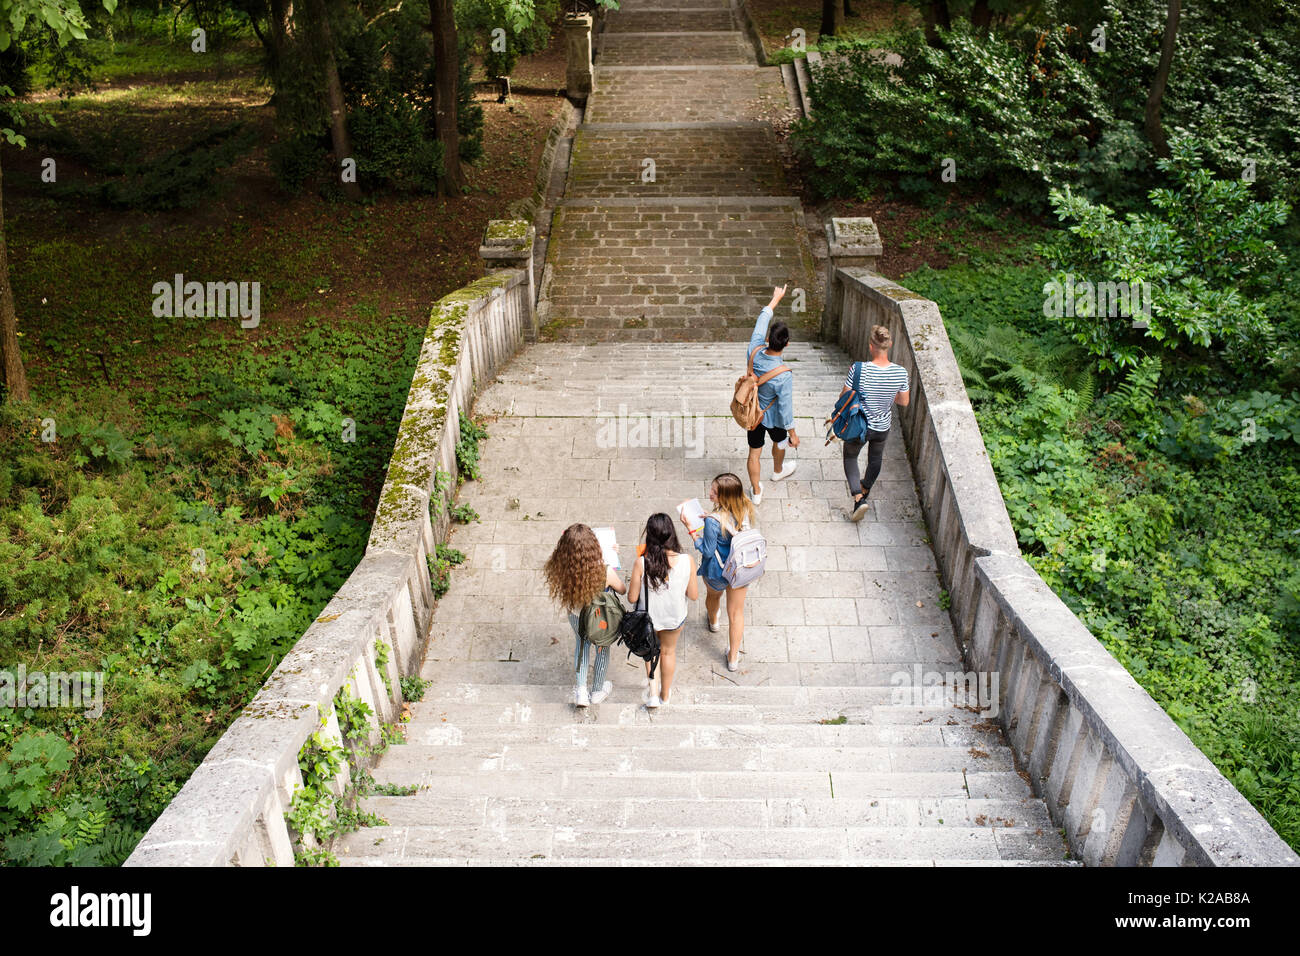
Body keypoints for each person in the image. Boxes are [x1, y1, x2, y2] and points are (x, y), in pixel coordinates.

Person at [543, 523, 627, 707]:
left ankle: (581, 692)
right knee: (602, 649)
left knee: (581, 646)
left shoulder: (562, 567)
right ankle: (597, 691)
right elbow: (622, 590)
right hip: (600, 618)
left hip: (576, 615)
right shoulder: (605, 571)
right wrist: (612, 558)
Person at [683, 473, 756, 672]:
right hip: (740, 570)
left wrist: (692, 531)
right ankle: (733, 658)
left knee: (713, 596)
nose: (710, 493)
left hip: (717, 571)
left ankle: (713, 621)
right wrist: (712, 518)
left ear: (724, 497)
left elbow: (707, 550)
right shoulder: (745, 509)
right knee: (736, 613)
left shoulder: (713, 523)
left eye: (714, 492)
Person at [628, 513, 698, 708]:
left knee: (650, 653)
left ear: (649, 536)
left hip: (648, 619)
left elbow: (632, 598)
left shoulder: (641, 562)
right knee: (668, 652)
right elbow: (693, 595)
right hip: (674, 618)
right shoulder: (687, 560)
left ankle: (652, 694)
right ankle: (665, 695)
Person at [842, 324, 910, 521]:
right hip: (882, 426)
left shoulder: (858, 369)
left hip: (859, 425)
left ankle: (858, 497)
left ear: (871, 346)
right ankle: (865, 488)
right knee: (875, 459)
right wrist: (887, 396)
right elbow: (904, 401)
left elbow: (845, 396)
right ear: (889, 345)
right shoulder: (900, 372)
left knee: (850, 457)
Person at [746, 285, 800, 505]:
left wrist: (775, 299)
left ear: (768, 338)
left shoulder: (754, 349)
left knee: (753, 453)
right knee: (780, 443)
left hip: (753, 413)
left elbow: (762, 319)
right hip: (774, 418)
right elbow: (786, 408)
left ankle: (756, 492)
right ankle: (778, 470)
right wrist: (793, 434)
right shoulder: (783, 375)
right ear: (787, 344)